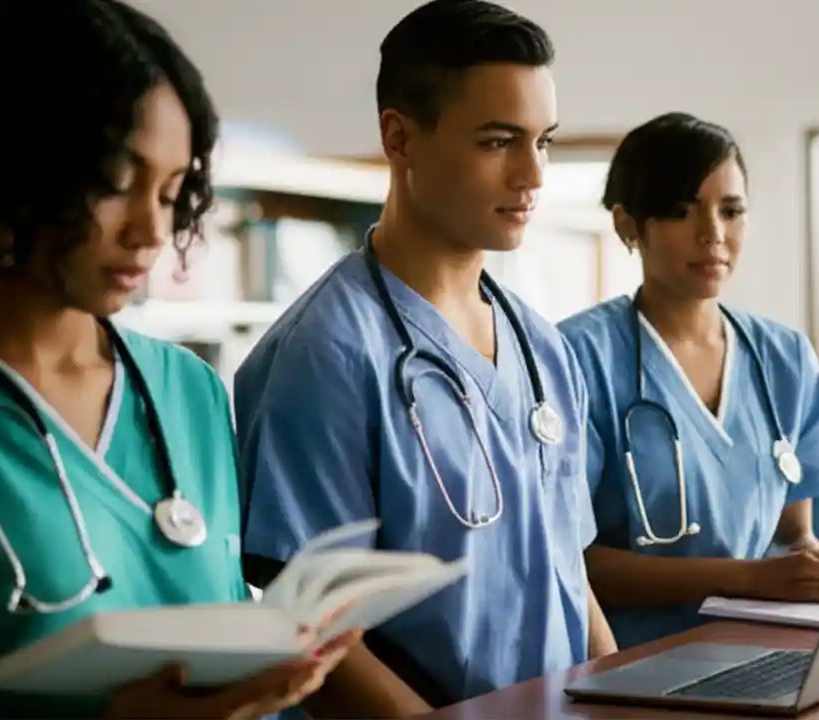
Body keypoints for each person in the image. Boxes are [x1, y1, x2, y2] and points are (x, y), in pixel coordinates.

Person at [0, 1, 358, 716]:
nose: (151, 231)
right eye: (116, 184)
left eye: (172, 192)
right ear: (10, 162)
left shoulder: (189, 389)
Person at [234, 1, 617, 716]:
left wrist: (617, 698)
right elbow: (313, 626)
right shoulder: (323, 355)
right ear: (399, 137)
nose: (532, 175)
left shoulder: (544, 348)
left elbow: (568, 571)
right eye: (499, 141)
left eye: (544, 142)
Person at [557, 112, 819, 649]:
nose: (713, 234)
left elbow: (793, 537)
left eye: (731, 211)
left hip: (768, 646)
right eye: (680, 211)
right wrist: (751, 578)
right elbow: (570, 562)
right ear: (627, 225)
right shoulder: (576, 357)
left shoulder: (783, 357)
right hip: (630, 660)